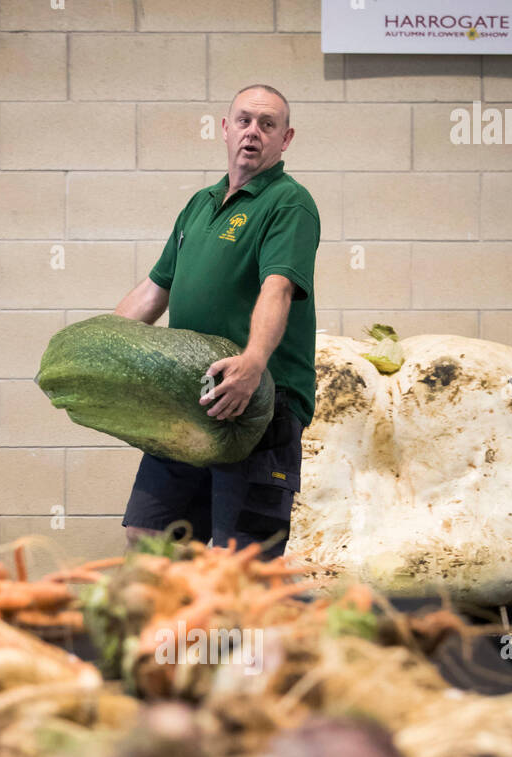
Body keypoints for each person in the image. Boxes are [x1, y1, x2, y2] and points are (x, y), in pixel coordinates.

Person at [115, 84, 320, 557]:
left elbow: (278, 287)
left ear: (285, 139)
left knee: (241, 559)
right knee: (151, 538)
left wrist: (251, 361)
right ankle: (169, 634)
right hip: (191, 398)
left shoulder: (288, 202)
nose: (254, 133)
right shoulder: (199, 204)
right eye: (244, 121)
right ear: (225, 129)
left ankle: (242, 636)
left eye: (267, 125)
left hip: (259, 402)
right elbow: (152, 292)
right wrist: (92, 348)